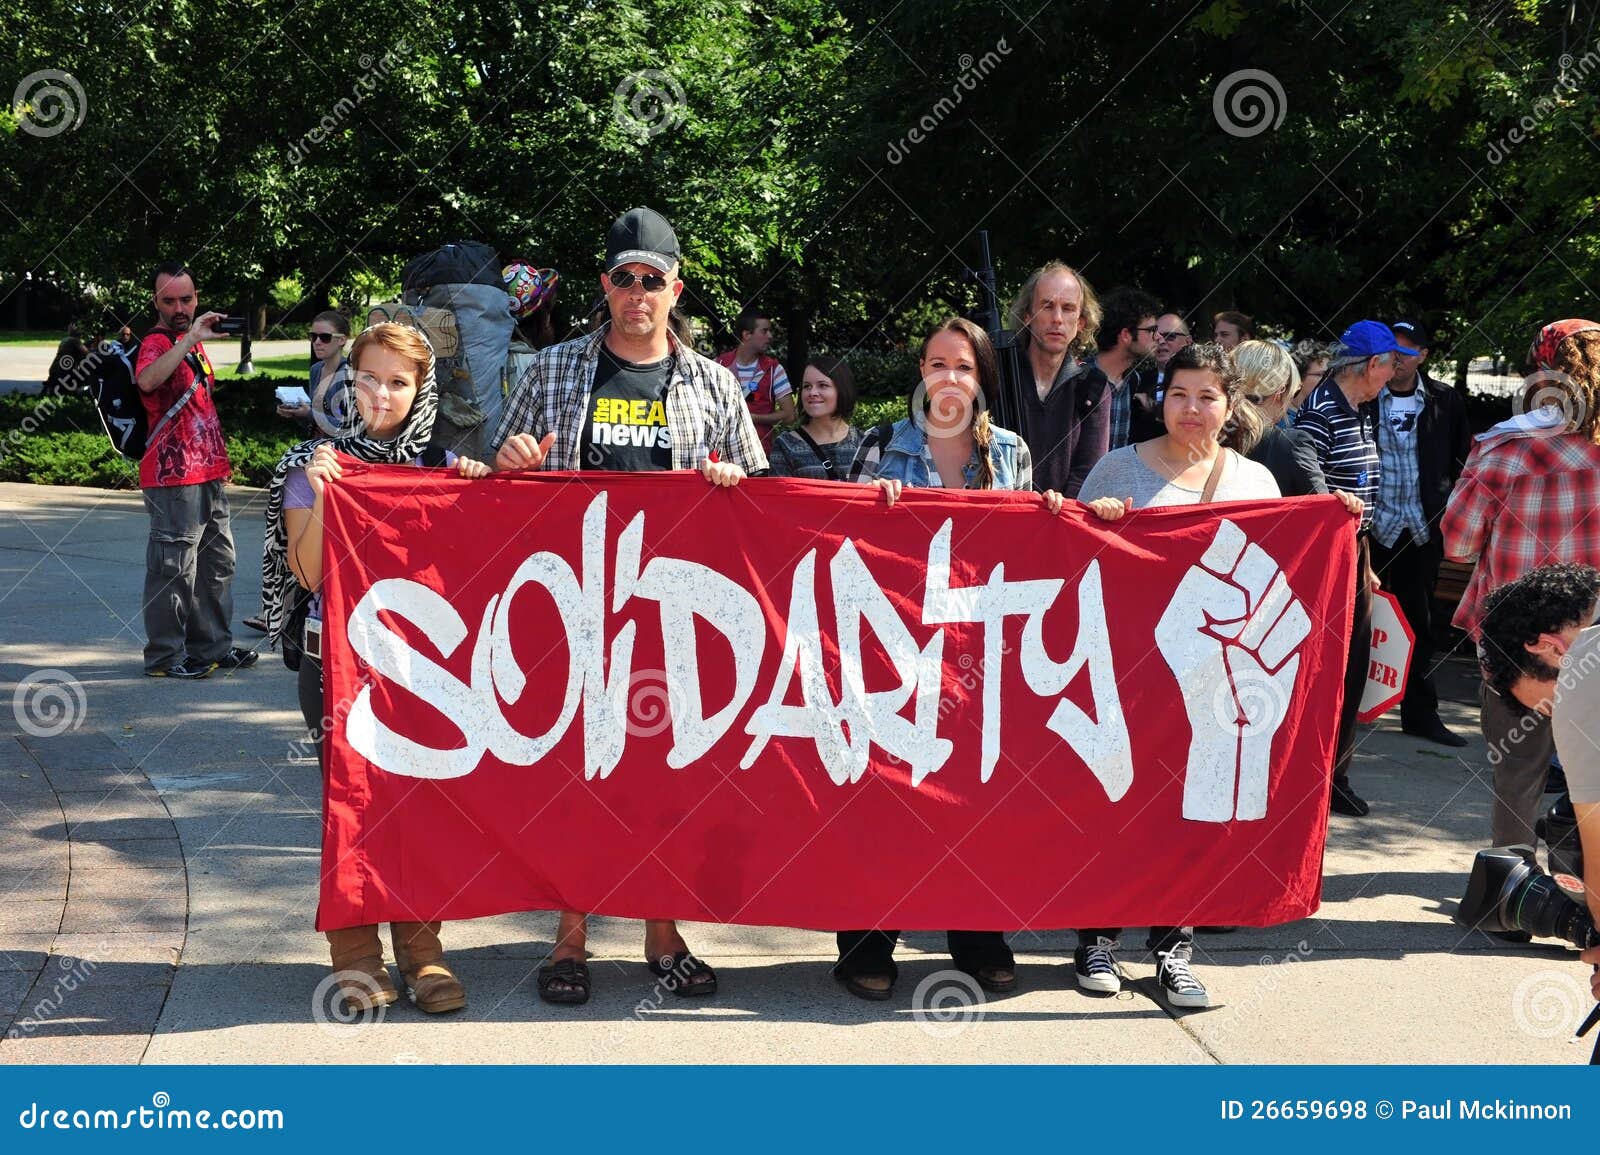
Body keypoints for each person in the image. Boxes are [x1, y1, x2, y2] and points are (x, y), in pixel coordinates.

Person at [492, 206, 765, 1005]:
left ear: (676, 289)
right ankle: (569, 937)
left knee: (665, 778)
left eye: (653, 279)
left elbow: (760, 505)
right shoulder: (551, 371)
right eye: (624, 278)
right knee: (574, 775)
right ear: (605, 285)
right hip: (575, 607)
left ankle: (662, 932)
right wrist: (509, 463)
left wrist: (731, 481)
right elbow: (499, 485)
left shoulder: (714, 383)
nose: (638, 292)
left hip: (674, 616)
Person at [260, 321, 488, 1014]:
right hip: (333, 663)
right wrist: (321, 493)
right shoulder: (312, 462)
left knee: (421, 807)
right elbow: (306, 571)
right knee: (352, 807)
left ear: (421, 391)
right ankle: (356, 956)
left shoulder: (444, 466)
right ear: (346, 381)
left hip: (421, 670)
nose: (380, 395)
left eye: (397, 382)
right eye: (367, 378)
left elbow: (478, 564)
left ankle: (423, 952)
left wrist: (483, 489)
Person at [840, 316, 1065, 1000]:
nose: (949, 377)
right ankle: (868, 939)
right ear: (921, 372)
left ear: (981, 378)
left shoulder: (1011, 452)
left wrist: (1051, 513)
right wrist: (867, 508)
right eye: (937, 363)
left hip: (979, 651)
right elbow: (837, 539)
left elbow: (1027, 549)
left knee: (978, 795)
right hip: (891, 647)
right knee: (884, 793)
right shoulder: (881, 444)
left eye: (963, 366)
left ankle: (977, 935)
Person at [1073, 342, 1283, 1008]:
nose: (1191, 409)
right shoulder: (1117, 467)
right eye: (1179, 394)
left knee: (1190, 815)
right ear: (1161, 398)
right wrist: (1100, 524)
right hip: (1126, 668)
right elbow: (1073, 561)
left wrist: (1337, 520)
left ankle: (1174, 946)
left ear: (1231, 404)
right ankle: (1097, 937)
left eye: (1207, 396)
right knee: (1116, 803)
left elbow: (1277, 569)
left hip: (1209, 680)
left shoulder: (1256, 483)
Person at [1443, 327, 1600, 866]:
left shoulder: (1504, 449)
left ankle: (1511, 887)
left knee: (1518, 772)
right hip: (1594, 636)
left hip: (1519, 644)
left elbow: (1458, 545)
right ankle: (1587, 887)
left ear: (1539, 375)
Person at [134, 261, 257, 680]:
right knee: (172, 570)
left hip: (208, 472)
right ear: (156, 302)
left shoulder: (190, 340)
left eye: (186, 299)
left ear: (196, 297)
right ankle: (164, 658)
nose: (179, 308)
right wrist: (188, 339)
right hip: (173, 477)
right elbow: (147, 381)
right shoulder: (156, 342)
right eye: (169, 301)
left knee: (216, 565)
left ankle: (212, 648)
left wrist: (192, 339)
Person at [1295, 321, 1396, 818]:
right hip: (1331, 556)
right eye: (1390, 363)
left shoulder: (1360, 408)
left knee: (1353, 668)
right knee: (1333, 670)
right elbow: (1311, 490)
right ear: (1372, 364)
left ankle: (1335, 775)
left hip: (1356, 551)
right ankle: (1321, 780)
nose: (1394, 372)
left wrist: (1366, 560)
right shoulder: (1322, 411)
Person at [1475, 564, 1600, 956]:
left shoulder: (1585, 676)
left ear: (1547, 646)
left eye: (1551, 704)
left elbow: (1596, 842)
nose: (1556, 719)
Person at [1368, 319, 1471, 747]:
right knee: (1358, 617)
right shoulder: (1368, 394)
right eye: (1391, 350)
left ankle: (1420, 713)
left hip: (1422, 528)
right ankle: (1348, 707)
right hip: (1371, 525)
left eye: (1407, 352)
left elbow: (1462, 461)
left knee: (1421, 621)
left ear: (1424, 356)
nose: (1397, 359)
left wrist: (1453, 513)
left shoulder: (1444, 400)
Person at [1004, 260, 1109, 498]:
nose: (1057, 318)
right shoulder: (999, 374)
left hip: (1061, 515)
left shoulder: (1094, 386)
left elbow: (1088, 474)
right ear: (1027, 316)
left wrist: (1055, 510)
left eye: (1068, 308)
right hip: (1000, 512)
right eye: (1047, 306)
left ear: (1081, 322)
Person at [766, 355, 862, 479]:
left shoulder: (864, 442)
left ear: (842, 389)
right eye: (807, 386)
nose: (812, 393)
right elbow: (778, 491)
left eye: (822, 385)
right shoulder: (786, 445)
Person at [716, 307, 795, 452]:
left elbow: (789, 415)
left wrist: (753, 418)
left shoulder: (774, 370)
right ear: (747, 335)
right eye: (764, 331)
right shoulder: (718, 365)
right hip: (722, 454)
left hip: (760, 454)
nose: (770, 336)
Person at [1095, 288, 1164, 452]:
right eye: (1151, 331)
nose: (1159, 337)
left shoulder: (1133, 380)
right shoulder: (1080, 378)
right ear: (1126, 335)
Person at [278, 310, 352, 434]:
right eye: (313, 336)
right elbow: (312, 422)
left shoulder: (348, 374)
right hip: (315, 441)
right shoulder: (316, 369)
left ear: (342, 340)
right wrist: (295, 412)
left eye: (325, 337)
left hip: (338, 444)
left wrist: (309, 413)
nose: (317, 342)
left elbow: (347, 426)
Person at [1289, 339, 1332, 418]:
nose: (1327, 381)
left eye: (1330, 375)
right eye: (1321, 375)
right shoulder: (1277, 417)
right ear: (1299, 376)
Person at [45, 323, 89, 396]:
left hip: (54, 371)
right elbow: (88, 353)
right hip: (65, 374)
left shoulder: (64, 340)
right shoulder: (75, 341)